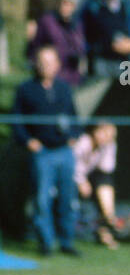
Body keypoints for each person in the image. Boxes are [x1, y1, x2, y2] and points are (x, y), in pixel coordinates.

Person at [12, 44, 82, 256]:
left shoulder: (63, 88)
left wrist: (74, 136)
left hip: (64, 151)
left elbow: (74, 117)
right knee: (42, 199)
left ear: (58, 65)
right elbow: (17, 121)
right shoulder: (26, 89)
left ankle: (67, 241)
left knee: (67, 198)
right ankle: (46, 242)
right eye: (42, 62)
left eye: (50, 62)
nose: (46, 66)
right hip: (43, 153)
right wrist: (28, 141)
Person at [73, 121, 120, 246]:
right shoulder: (83, 143)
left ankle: (108, 219)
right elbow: (73, 166)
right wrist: (81, 181)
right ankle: (109, 222)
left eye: (111, 136)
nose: (108, 138)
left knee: (105, 184)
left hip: (91, 177)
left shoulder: (108, 145)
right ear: (96, 132)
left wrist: (108, 148)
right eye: (105, 134)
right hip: (72, 177)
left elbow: (107, 168)